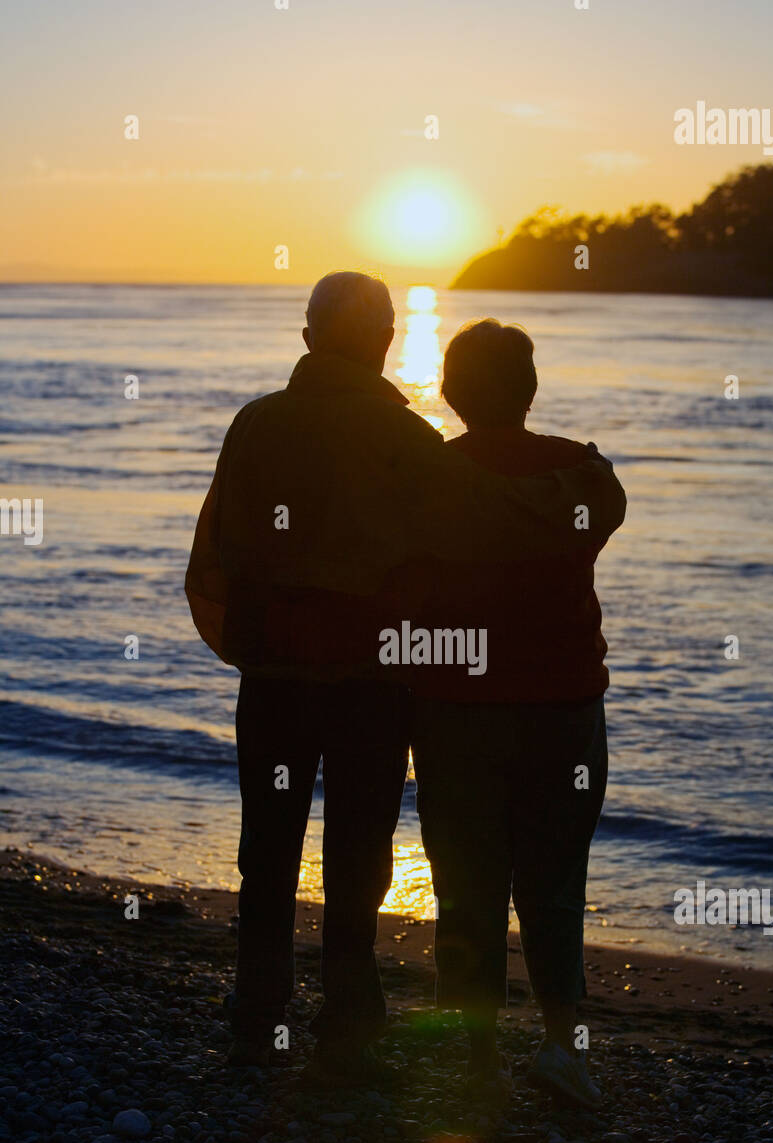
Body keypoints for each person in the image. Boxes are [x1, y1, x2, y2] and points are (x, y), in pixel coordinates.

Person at [186, 275, 624, 1083]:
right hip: (372, 682)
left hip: (277, 677)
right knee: (361, 860)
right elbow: (489, 520)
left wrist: (249, 635)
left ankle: (258, 1023)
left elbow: (218, 548)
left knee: (268, 852)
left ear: (309, 336)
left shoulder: (256, 422)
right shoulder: (405, 437)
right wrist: (585, 480)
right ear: (385, 340)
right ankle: (350, 1029)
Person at [411, 319, 626, 1107]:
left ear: (450, 392)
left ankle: (477, 1062)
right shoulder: (585, 477)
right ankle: (562, 1046)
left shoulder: (429, 479)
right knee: (555, 879)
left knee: (465, 883)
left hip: (457, 708)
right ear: (530, 391)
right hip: (563, 706)